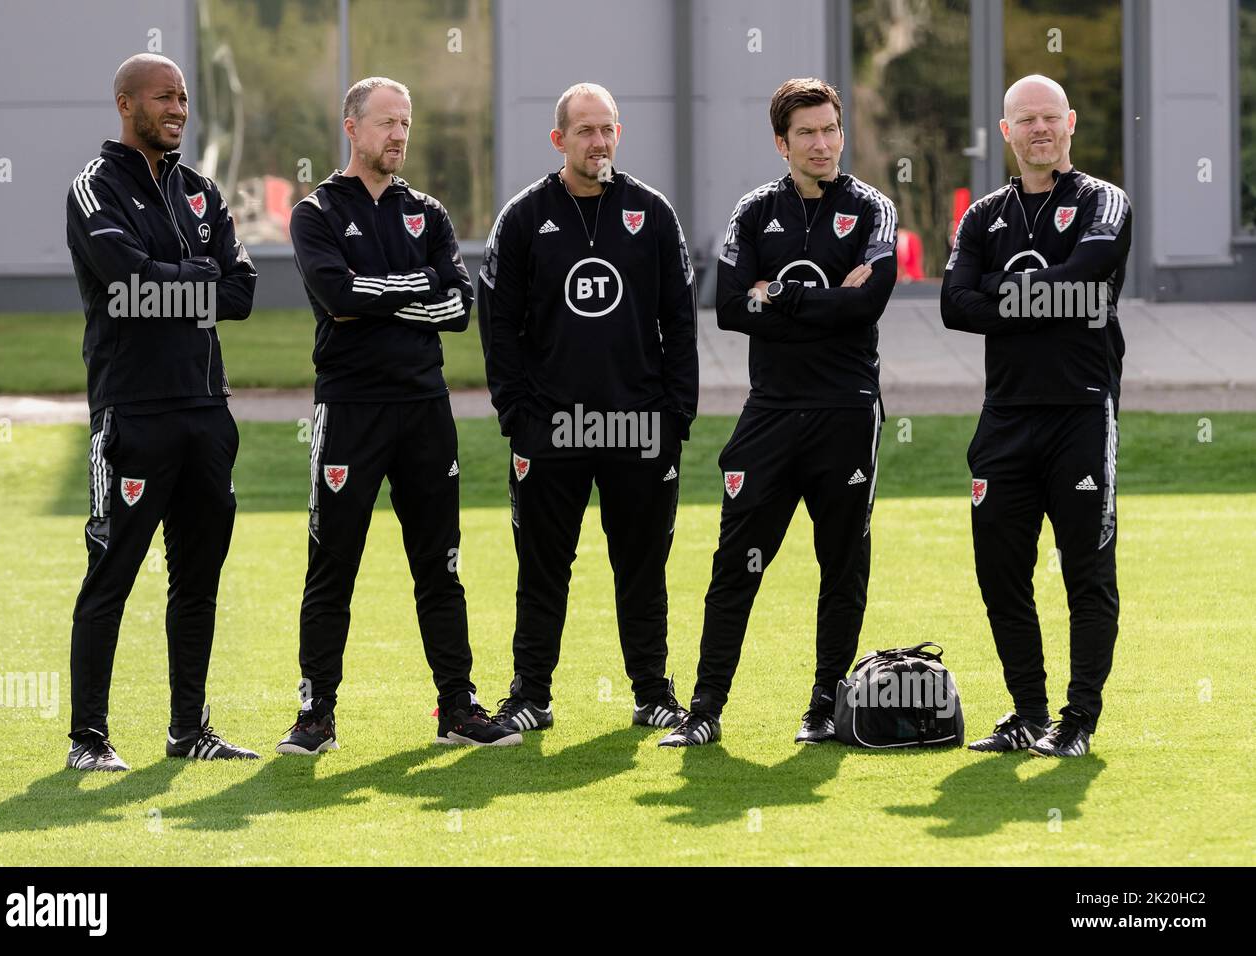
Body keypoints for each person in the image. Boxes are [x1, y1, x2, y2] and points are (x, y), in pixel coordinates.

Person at [278, 77, 520, 753]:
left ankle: (457, 708)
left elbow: (460, 306)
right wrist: (414, 287)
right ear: (351, 127)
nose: (399, 136)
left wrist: (377, 296)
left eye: (406, 123)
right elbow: (336, 296)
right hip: (351, 412)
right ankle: (316, 714)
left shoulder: (429, 213)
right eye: (386, 122)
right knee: (333, 564)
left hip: (423, 411)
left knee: (439, 565)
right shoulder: (317, 211)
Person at [659, 77, 897, 749]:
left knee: (841, 564)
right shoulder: (753, 212)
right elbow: (729, 307)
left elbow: (865, 305)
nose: (821, 144)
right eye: (807, 135)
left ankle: (823, 707)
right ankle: (704, 710)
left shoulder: (872, 209)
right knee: (737, 561)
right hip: (770, 411)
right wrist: (819, 305)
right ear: (781, 143)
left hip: (847, 412)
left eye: (830, 130)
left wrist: (781, 297)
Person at [478, 82, 699, 734]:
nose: (598, 142)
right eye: (585, 131)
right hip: (552, 429)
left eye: (607, 130)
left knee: (642, 568)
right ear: (560, 140)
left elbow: (679, 322)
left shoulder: (651, 215)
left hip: (639, 428)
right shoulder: (524, 219)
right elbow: (500, 327)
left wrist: (675, 416)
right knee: (543, 569)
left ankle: (653, 692)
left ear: (618, 135)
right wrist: (516, 414)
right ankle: (530, 697)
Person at [65, 53, 258, 771]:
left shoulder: (202, 192)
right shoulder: (93, 189)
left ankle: (189, 730)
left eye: (182, 98)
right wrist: (192, 277)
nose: (177, 108)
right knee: (110, 576)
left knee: (198, 579)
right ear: (125, 104)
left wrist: (176, 279)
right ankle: (88, 739)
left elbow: (241, 292)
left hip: (208, 414)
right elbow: (129, 284)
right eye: (163, 98)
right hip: (133, 416)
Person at [941, 74, 1131, 758]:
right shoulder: (981, 216)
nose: (1040, 129)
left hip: (1079, 415)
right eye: (1027, 120)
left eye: (1051, 117)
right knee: (1000, 572)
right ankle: (1026, 712)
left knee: (1087, 571)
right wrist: (1029, 295)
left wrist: (996, 290)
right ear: (1006, 131)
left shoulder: (1103, 202)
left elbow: (1090, 272)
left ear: (1071, 122)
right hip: (1005, 420)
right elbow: (951, 305)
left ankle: (1077, 722)